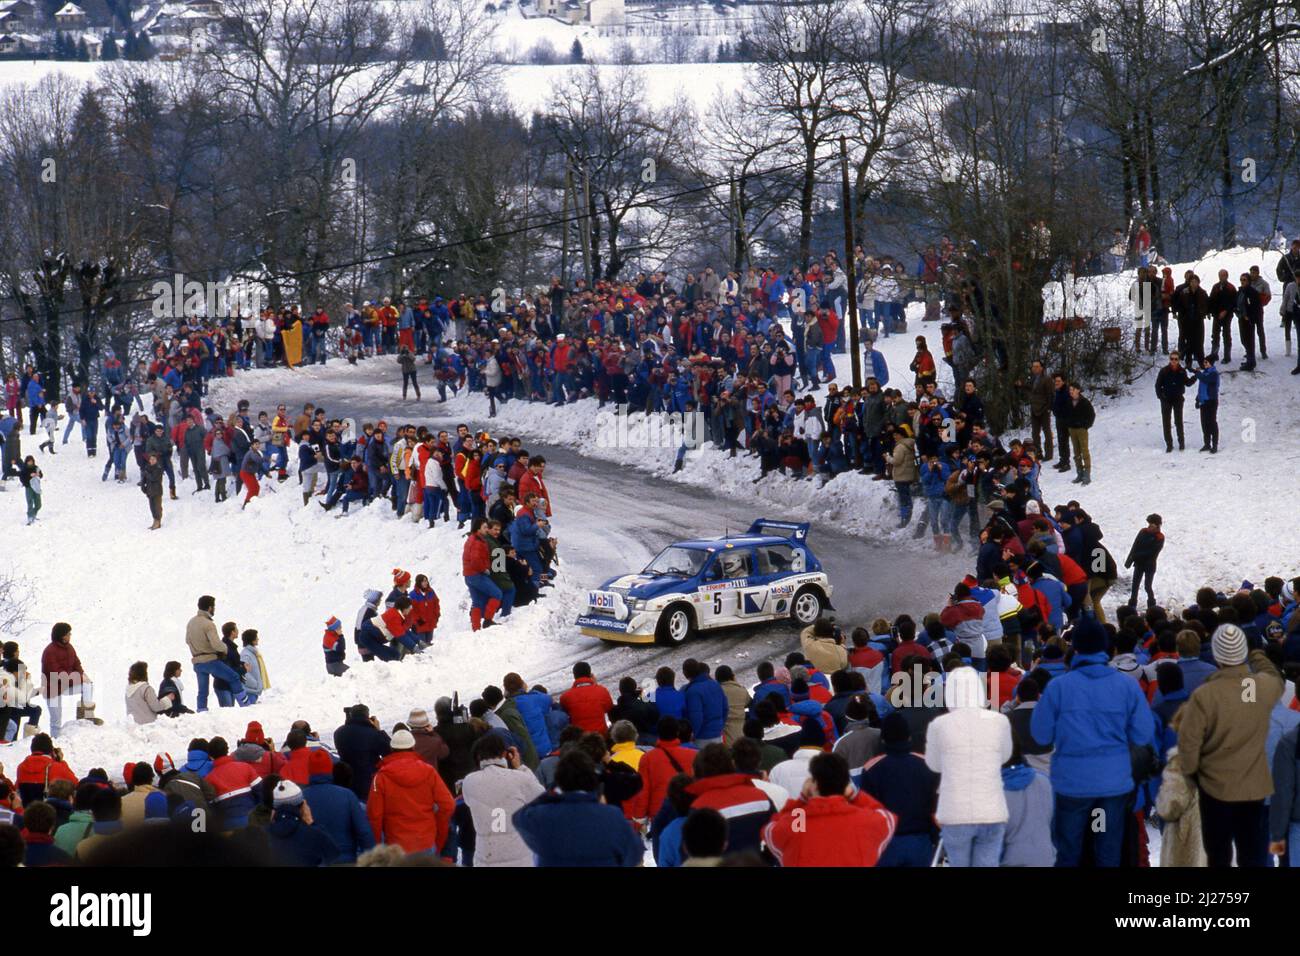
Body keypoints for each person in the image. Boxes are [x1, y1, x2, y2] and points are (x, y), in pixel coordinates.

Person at [1030, 614, 1155, 867]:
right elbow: (1143, 734)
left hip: (1071, 784)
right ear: (1104, 647)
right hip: (1113, 783)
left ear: (1075, 648)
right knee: (1107, 852)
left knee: (1069, 851)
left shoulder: (1058, 688)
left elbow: (1040, 735)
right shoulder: (1126, 686)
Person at [1178, 624, 1282, 868]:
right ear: (1243, 653)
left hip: (1215, 789)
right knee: (1252, 853)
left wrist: (1193, 776)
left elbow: (1189, 744)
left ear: (1217, 655)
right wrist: (1257, 654)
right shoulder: (1260, 687)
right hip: (1253, 788)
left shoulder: (1205, 694)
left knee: (1218, 854)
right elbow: (1274, 676)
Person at [925, 667, 1013, 866]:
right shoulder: (1000, 721)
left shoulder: (939, 725)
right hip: (991, 809)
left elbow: (934, 764)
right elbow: (1005, 757)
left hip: (954, 810)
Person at [765, 752, 898, 867]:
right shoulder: (864, 821)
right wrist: (854, 796)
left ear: (814, 784)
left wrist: (802, 799)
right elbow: (887, 817)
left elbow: (771, 829)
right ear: (846, 784)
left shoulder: (798, 825)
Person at [513, 751, 643, 867]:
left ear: (559, 782)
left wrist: (553, 792)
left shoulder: (542, 816)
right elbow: (634, 854)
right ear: (593, 781)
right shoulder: (612, 816)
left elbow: (519, 817)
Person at [460, 734, 545, 867]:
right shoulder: (520, 779)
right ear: (505, 754)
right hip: (520, 857)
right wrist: (520, 767)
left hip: (486, 858)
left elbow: (468, 801)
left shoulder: (469, 781)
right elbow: (540, 798)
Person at [367, 729, 454, 856]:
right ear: (413, 747)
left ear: (392, 748)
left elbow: (374, 815)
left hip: (396, 845)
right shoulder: (428, 771)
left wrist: (378, 845)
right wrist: (439, 833)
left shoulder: (381, 777)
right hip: (425, 841)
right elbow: (448, 805)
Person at [301, 749, 375, 864]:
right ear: (330, 769)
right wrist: (372, 859)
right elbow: (364, 832)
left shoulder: (302, 798)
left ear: (309, 771)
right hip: (346, 860)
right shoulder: (347, 795)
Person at [185, 596, 250, 711]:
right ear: (210, 607)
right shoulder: (209, 624)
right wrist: (225, 649)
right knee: (234, 677)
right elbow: (216, 644)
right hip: (210, 660)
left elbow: (187, 640)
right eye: (214, 607)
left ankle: (201, 710)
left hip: (197, 662)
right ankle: (245, 705)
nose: (214, 609)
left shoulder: (191, 622)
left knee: (203, 691)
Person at [266, 780, 340, 867]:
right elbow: (334, 854)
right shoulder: (314, 835)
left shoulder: (261, 835)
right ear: (303, 806)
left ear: (274, 810)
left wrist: (271, 824)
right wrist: (311, 822)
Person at [40, 623, 97, 736]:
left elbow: (77, 664)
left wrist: (82, 675)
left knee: (88, 685)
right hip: (53, 689)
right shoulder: (49, 651)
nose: (70, 635)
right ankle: (55, 744)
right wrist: (79, 678)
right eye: (68, 634)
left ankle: (86, 715)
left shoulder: (69, 647)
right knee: (56, 721)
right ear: (62, 636)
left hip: (67, 685)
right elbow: (58, 674)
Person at [1154, 351, 1195, 453]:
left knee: (1178, 421)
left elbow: (1188, 383)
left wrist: (1196, 376)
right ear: (1169, 359)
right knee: (1166, 422)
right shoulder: (1164, 371)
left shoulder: (1182, 371)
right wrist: (1161, 397)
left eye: (1176, 359)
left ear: (1179, 360)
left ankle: (1181, 443)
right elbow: (1158, 385)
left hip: (1178, 399)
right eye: (1172, 359)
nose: (1174, 361)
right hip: (1166, 399)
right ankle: (1169, 444)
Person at [1124, 514, 1165, 610]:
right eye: (1149, 524)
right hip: (1138, 564)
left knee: (1148, 586)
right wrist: (1129, 560)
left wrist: (1136, 556)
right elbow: (1135, 545)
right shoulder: (1143, 532)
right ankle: (1132, 606)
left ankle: (1152, 606)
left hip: (1149, 565)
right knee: (1135, 585)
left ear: (1158, 525)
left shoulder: (1159, 537)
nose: (1149, 526)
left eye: (1152, 525)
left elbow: (1152, 553)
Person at [1063, 381, 1094, 485]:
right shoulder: (1068, 402)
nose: (1071, 392)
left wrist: (1085, 425)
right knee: (1076, 452)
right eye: (1070, 390)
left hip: (1081, 429)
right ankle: (1079, 472)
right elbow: (1065, 414)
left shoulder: (1084, 402)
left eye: (1073, 390)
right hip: (1072, 429)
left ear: (1078, 390)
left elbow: (1091, 415)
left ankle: (1087, 474)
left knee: (1084, 451)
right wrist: (1068, 423)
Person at [1194, 353, 1220, 453]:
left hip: (1211, 401)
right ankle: (1207, 443)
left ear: (1211, 363)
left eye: (1206, 362)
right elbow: (1201, 388)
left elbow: (1206, 380)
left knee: (1212, 423)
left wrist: (1197, 373)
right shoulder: (1204, 373)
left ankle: (1215, 445)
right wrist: (1197, 399)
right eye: (1204, 362)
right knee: (1204, 424)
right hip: (1203, 402)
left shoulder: (1213, 374)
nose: (1204, 364)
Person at [140, 451, 165, 529]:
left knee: (157, 506)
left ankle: (158, 521)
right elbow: (144, 478)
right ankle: (154, 520)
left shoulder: (158, 468)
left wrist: (146, 474)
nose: (152, 460)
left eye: (154, 459)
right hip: (150, 491)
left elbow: (153, 478)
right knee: (152, 507)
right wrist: (143, 487)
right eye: (151, 459)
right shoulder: (147, 467)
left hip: (157, 491)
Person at [17, 455, 42, 525]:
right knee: (30, 502)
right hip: (28, 487)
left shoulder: (36, 468)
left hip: (36, 487)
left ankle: (33, 514)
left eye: (31, 461)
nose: (30, 463)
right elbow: (22, 478)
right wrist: (29, 477)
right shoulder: (24, 469)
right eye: (29, 462)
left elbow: (41, 475)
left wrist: (38, 474)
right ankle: (30, 516)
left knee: (38, 504)